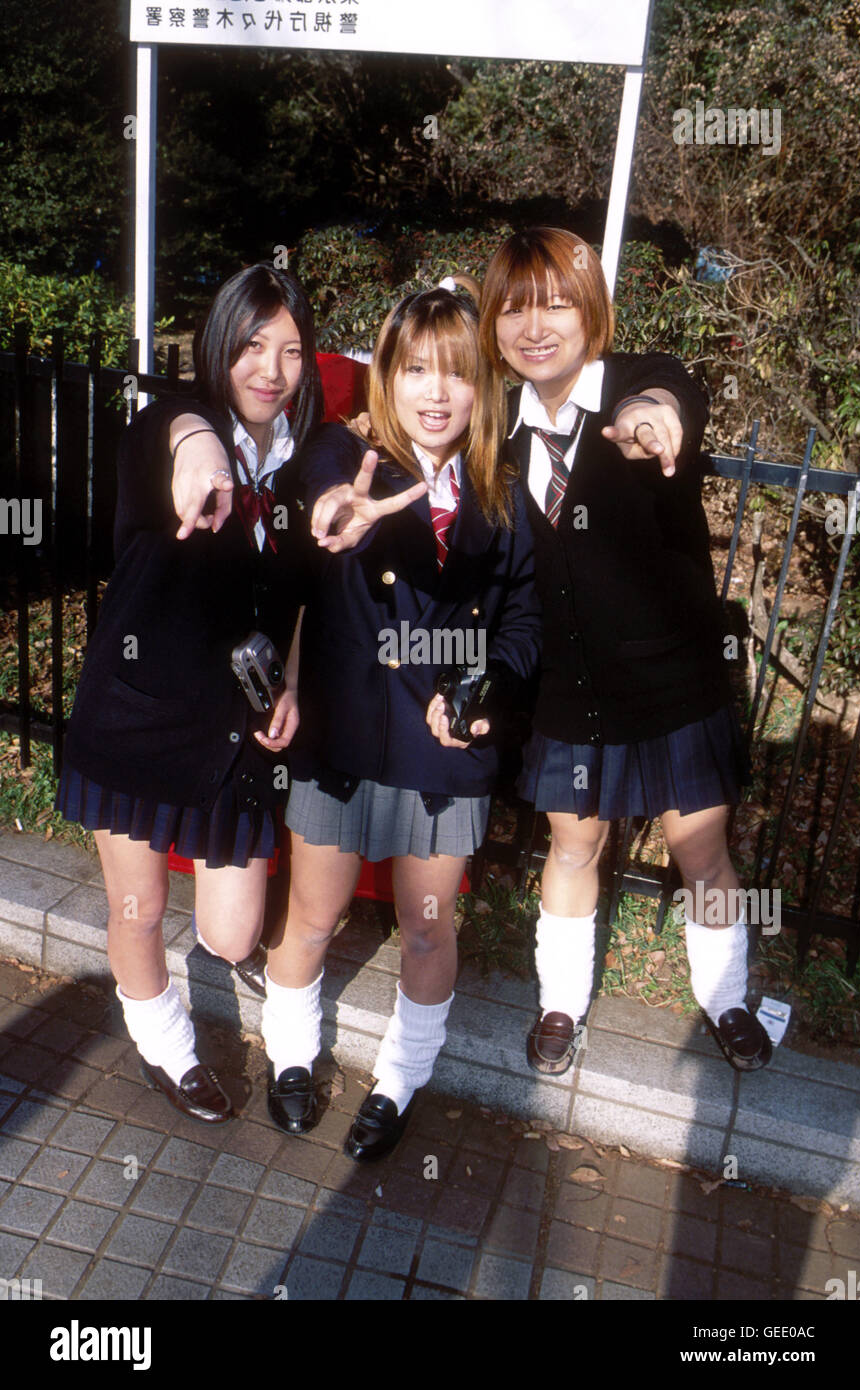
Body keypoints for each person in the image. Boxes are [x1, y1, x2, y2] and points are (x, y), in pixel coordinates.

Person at [478, 227, 771, 1077]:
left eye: (557, 304)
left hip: (672, 684)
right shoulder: (498, 429)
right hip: (571, 696)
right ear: (493, 324)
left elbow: (670, 400)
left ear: (592, 311)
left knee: (702, 854)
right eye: (515, 308)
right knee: (573, 850)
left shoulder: (641, 382)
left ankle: (726, 998)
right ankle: (560, 1003)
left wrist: (653, 422)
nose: (536, 326)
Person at [261, 280, 542, 1159]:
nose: (434, 391)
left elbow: (525, 622)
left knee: (425, 925)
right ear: (387, 373)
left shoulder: (501, 496)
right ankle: (292, 1055)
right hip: (342, 739)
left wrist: (481, 681)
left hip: (442, 756)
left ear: (480, 388)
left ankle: (400, 1077)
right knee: (313, 917)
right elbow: (320, 504)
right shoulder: (343, 460)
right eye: (415, 368)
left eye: (455, 373)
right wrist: (335, 514)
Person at [56, 263, 323, 1124]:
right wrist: (204, 463)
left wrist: (291, 677)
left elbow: (306, 597)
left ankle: (233, 956)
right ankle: (167, 1046)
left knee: (234, 933)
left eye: (289, 350)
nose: (270, 369)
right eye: (252, 345)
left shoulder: (300, 467)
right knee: (137, 910)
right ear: (220, 346)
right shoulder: (170, 419)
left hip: (229, 738)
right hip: (133, 718)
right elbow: (185, 445)